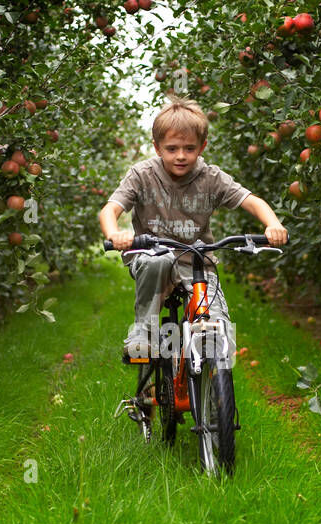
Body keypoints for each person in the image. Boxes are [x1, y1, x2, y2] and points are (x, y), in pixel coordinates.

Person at [99, 95, 289, 363]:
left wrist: (273, 224)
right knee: (159, 260)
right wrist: (114, 233)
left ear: (202, 147)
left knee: (216, 329)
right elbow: (110, 210)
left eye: (189, 148)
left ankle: (214, 392)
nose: (180, 156)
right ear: (157, 147)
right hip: (152, 258)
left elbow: (253, 201)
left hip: (197, 261)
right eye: (172, 148)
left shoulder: (210, 177)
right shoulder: (142, 174)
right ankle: (144, 333)